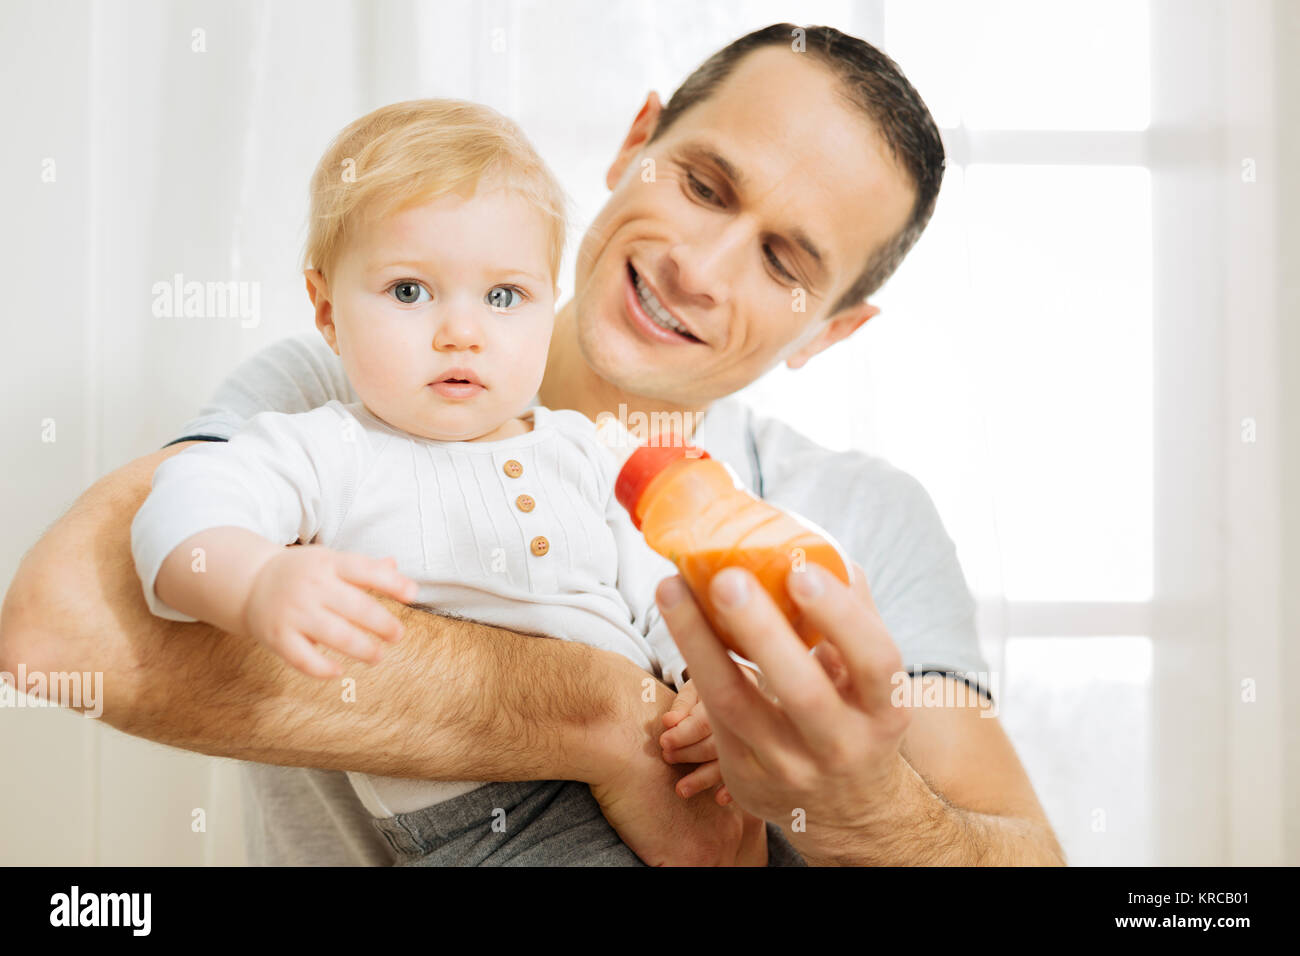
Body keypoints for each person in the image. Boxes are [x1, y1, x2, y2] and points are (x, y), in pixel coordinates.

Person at [0, 23, 1065, 866]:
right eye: (701, 182)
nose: (701, 267)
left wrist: (858, 802)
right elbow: (59, 632)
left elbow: (1012, 852)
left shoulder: (857, 514)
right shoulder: (328, 392)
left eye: (784, 261)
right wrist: (607, 719)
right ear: (633, 144)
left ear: (830, 330)